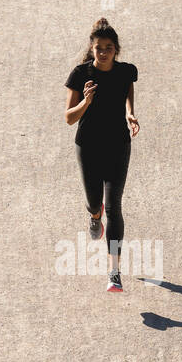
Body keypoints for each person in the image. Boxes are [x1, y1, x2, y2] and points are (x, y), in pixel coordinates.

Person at [64, 18, 139, 292]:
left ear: (116, 49)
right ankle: (94, 216)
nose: (103, 52)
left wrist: (130, 112)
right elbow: (69, 118)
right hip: (88, 147)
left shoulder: (126, 71)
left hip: (118, 146)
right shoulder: (80, 75)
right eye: (98, 48)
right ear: (92, 49)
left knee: (114, 207)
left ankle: (114, 272)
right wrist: (86, 101)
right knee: (95, 203)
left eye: (108, 47)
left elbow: (128, 89)